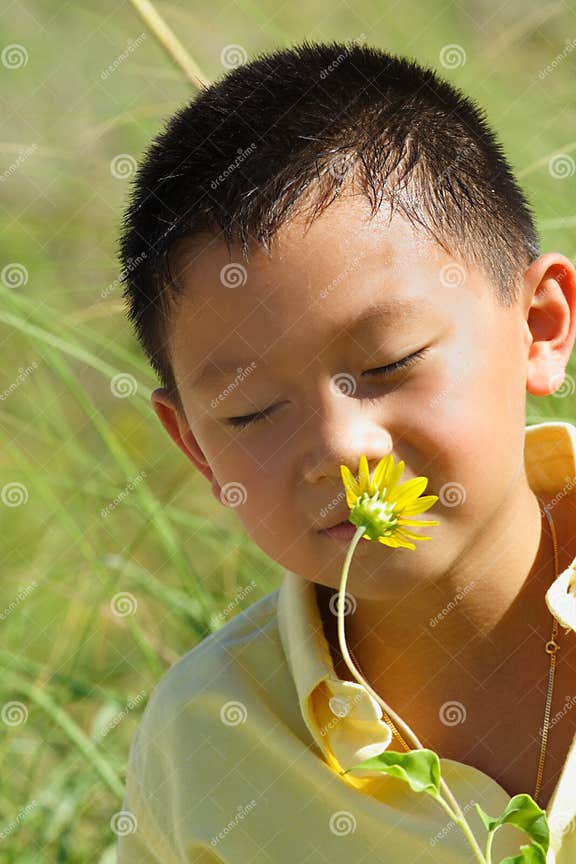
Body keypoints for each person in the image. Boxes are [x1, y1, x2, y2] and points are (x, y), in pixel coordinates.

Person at [115, 40, 576, 863]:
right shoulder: (207, 745)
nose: (342, 447)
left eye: (390, 364)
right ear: (193, 446)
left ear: (540, 326)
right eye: (251, 412)